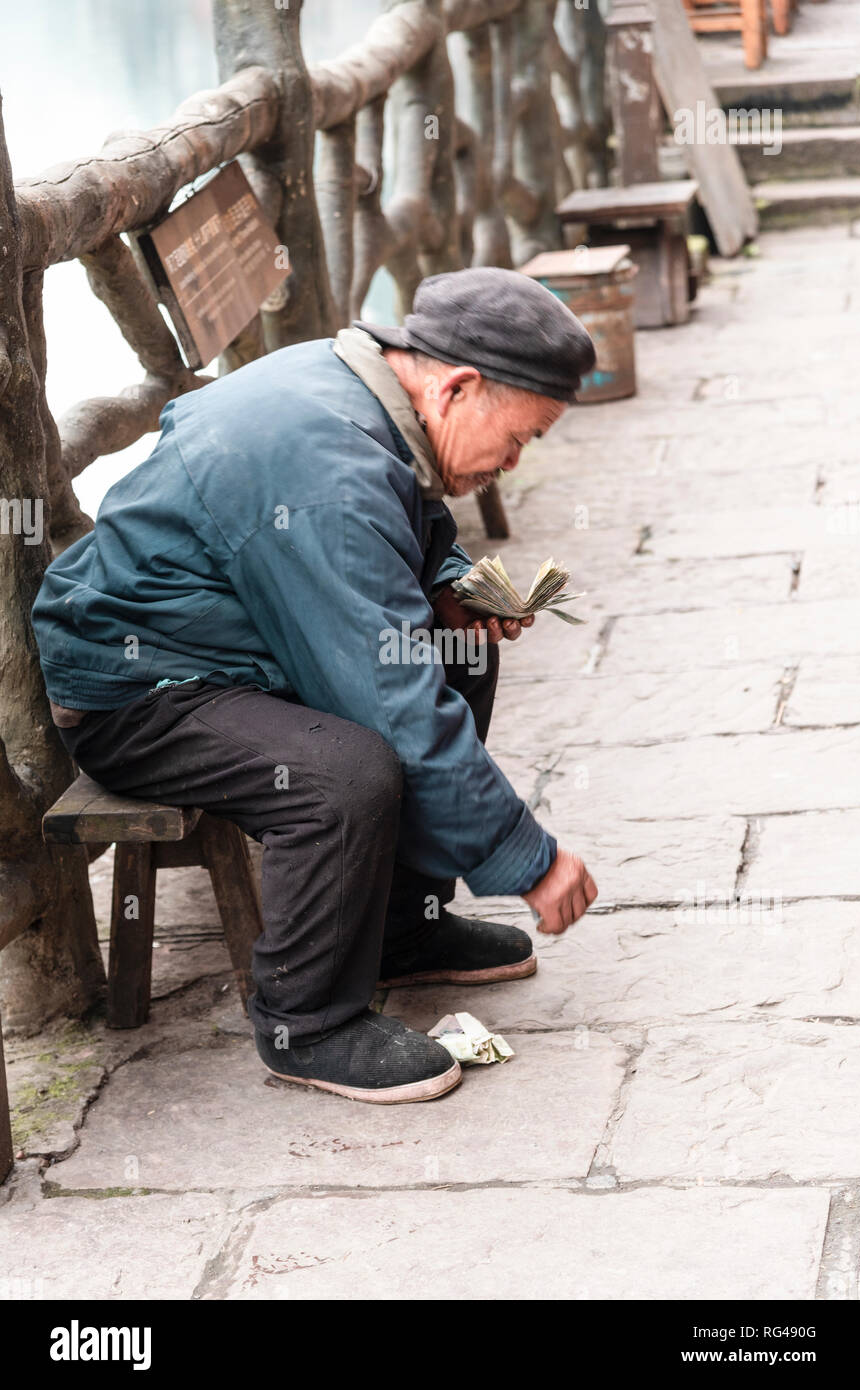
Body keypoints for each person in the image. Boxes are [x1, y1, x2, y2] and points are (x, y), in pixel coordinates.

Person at [31, 266, 599, 1105]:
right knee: (345, 773)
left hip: (243, 643)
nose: (513, 461)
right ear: (459, 386)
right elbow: (389, 694)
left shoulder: (364, 391)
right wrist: (525, 857)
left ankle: (404, 930)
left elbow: (400, 524)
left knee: (462, 651)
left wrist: (446, 584)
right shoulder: (323, 465)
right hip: (142, 690)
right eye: (521, 436)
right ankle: (309, 1025)